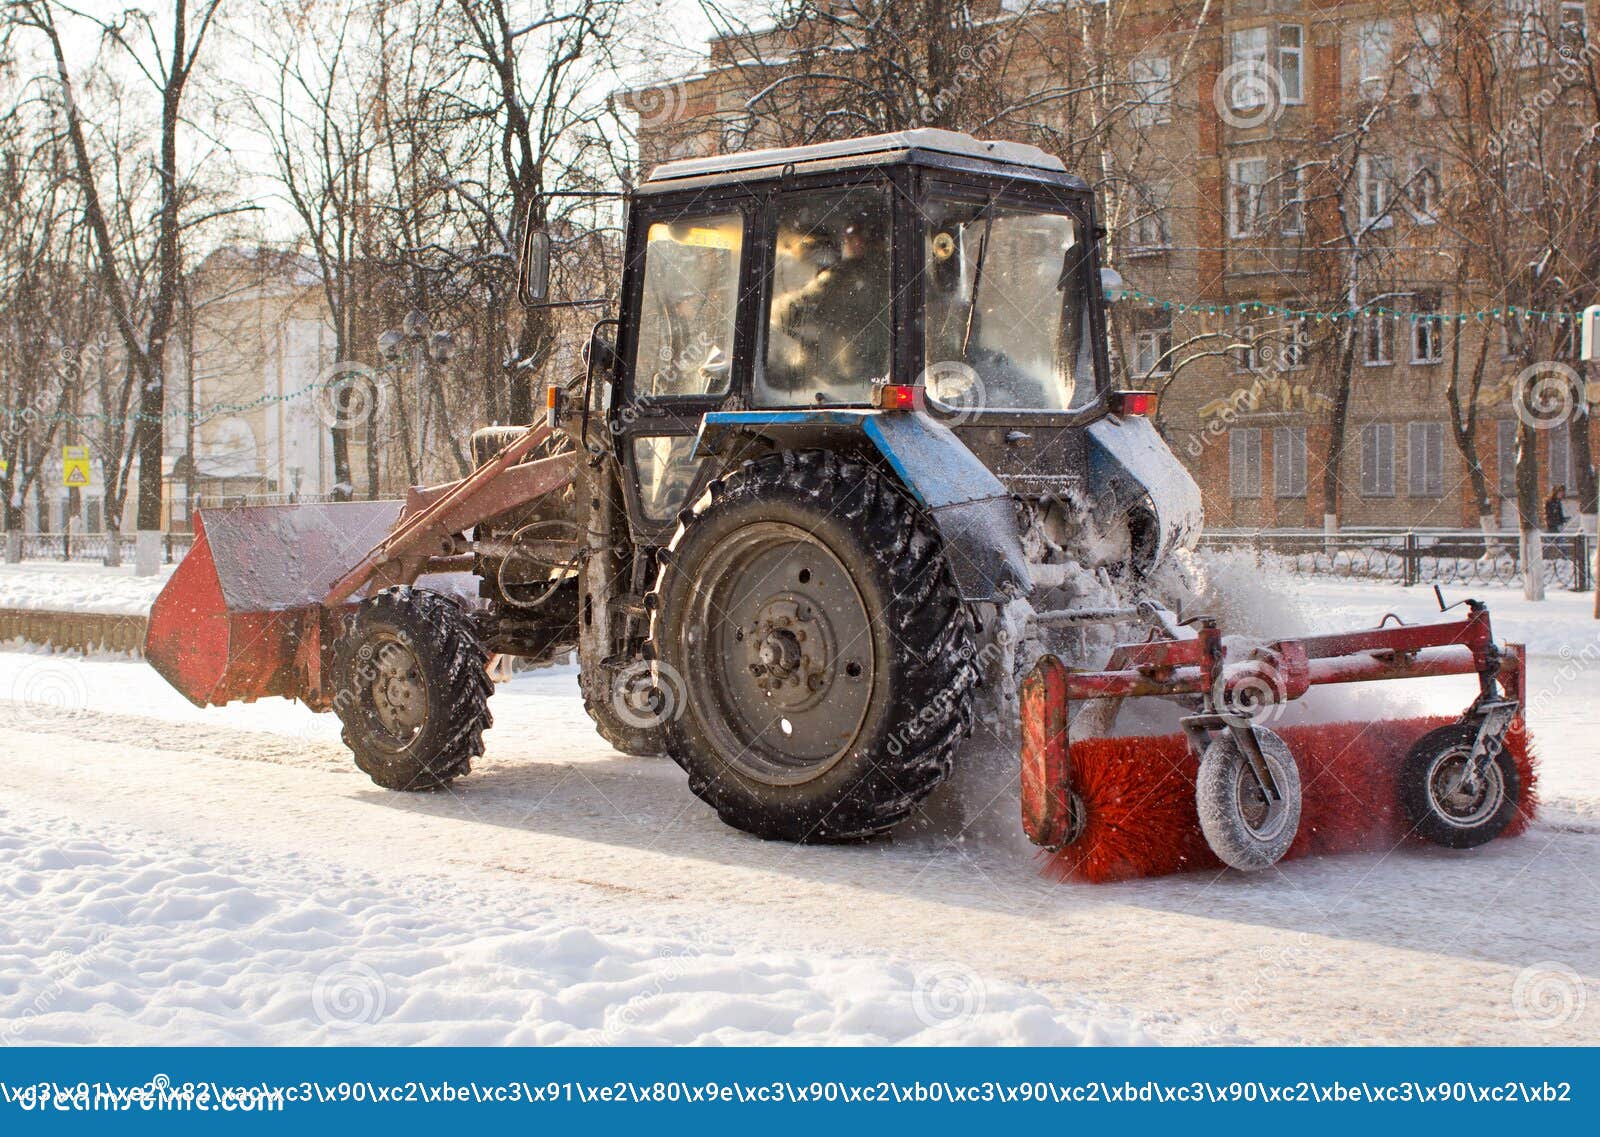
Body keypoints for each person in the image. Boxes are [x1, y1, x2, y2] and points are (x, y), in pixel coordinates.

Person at [769, 209, 890, 398]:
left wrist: (769, 308)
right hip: (879, 381)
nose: (847, 243)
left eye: (849, 236)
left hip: (850, 384)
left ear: (859, 239)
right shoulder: (901, 274)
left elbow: (787, 313)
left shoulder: (845, 276)